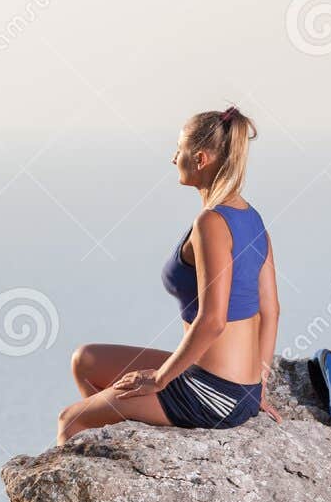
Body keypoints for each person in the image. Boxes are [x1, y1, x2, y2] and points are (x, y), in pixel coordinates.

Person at [56, 106, 281, 444]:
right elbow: (271, 310)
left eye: (179, 149)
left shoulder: (211, 224)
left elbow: (213, 320)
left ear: (201, 159)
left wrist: (160, 379)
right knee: (85, 361)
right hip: (237, 388)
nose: (173, 157)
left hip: (213, 394)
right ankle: (125, 429)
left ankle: (121, 431)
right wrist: (257, 386)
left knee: (71, 422)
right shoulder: (253, 219)